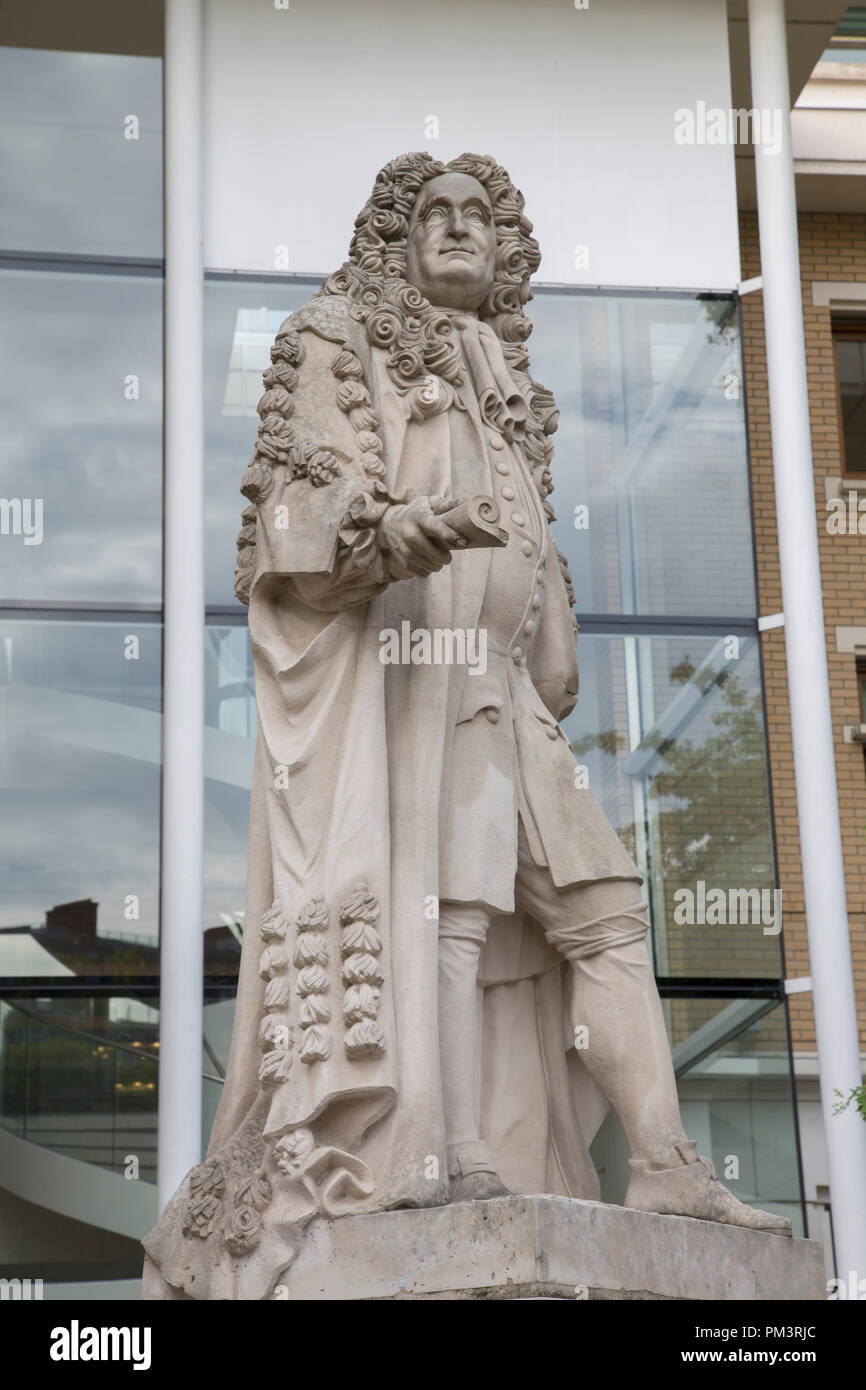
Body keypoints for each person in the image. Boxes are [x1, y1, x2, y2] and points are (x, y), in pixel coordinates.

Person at [142, 152, 789, 1302]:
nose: (455, 231)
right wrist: (390, 528)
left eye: (476, 220)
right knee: (444, 906)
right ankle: (443, 1155)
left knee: (601, 910)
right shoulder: (337, 338)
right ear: (397, 240)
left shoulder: (505, 382)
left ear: (504, 254)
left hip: (507, 696)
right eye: (431, 215)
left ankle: (662, 1166)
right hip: (413, 680)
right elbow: (297, 501)